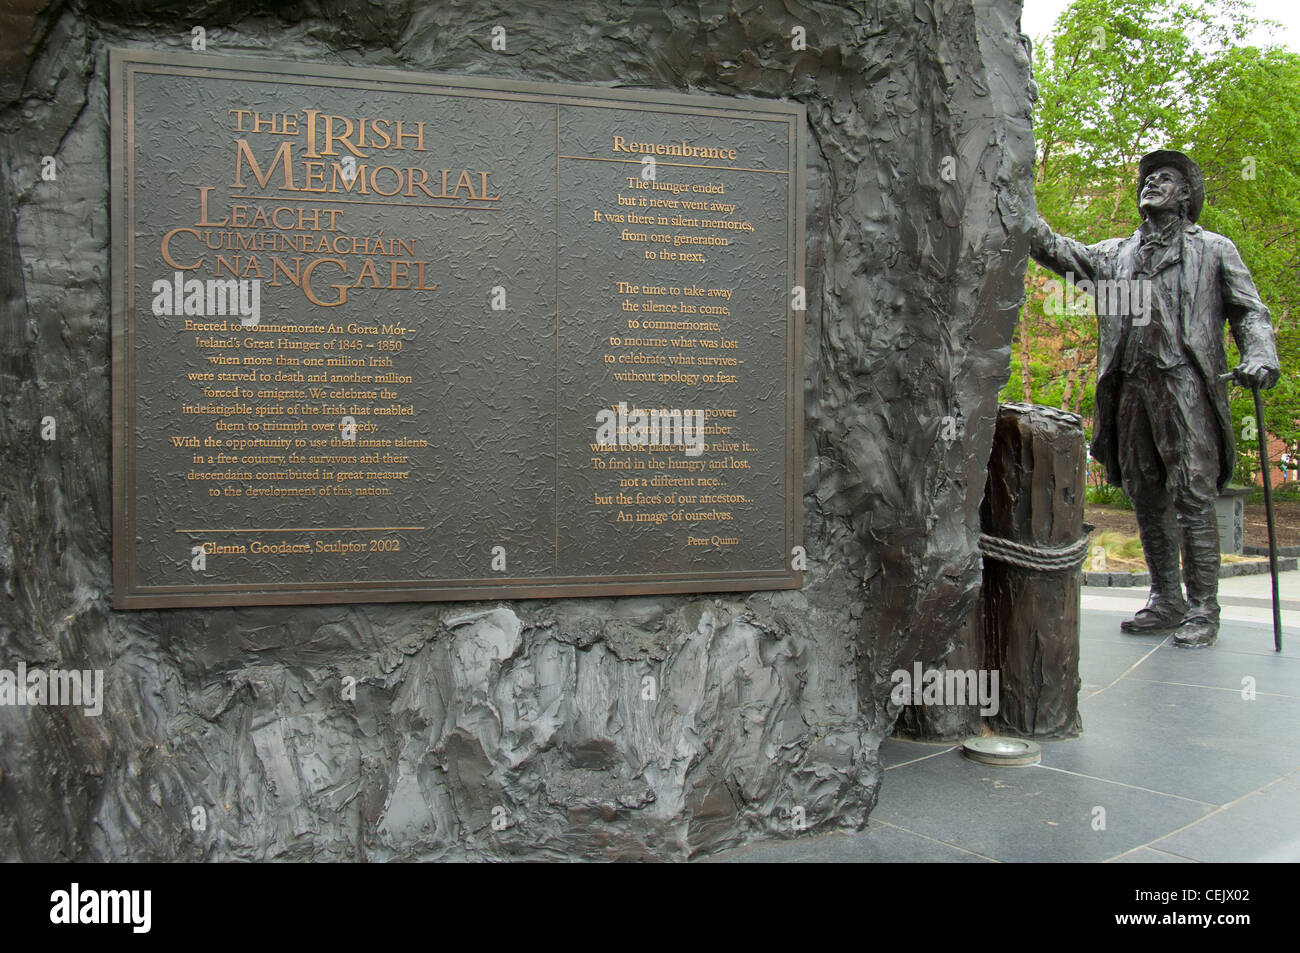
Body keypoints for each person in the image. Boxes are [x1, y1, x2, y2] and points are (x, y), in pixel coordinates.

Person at [1029, 150, 1280, 647]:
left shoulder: (1214, 249)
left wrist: (1260, 357)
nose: (1152, 183)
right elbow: (1054, 249)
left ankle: (1204, 608)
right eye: (1147, 178)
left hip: (1183, 382)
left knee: (1192, 491)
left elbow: (1250, 312)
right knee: (1145, 492)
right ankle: (1166, 598)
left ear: (1186, 196)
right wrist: (1012, 198)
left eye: (1166, 179)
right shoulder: (1114, 254)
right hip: (1130, 386)